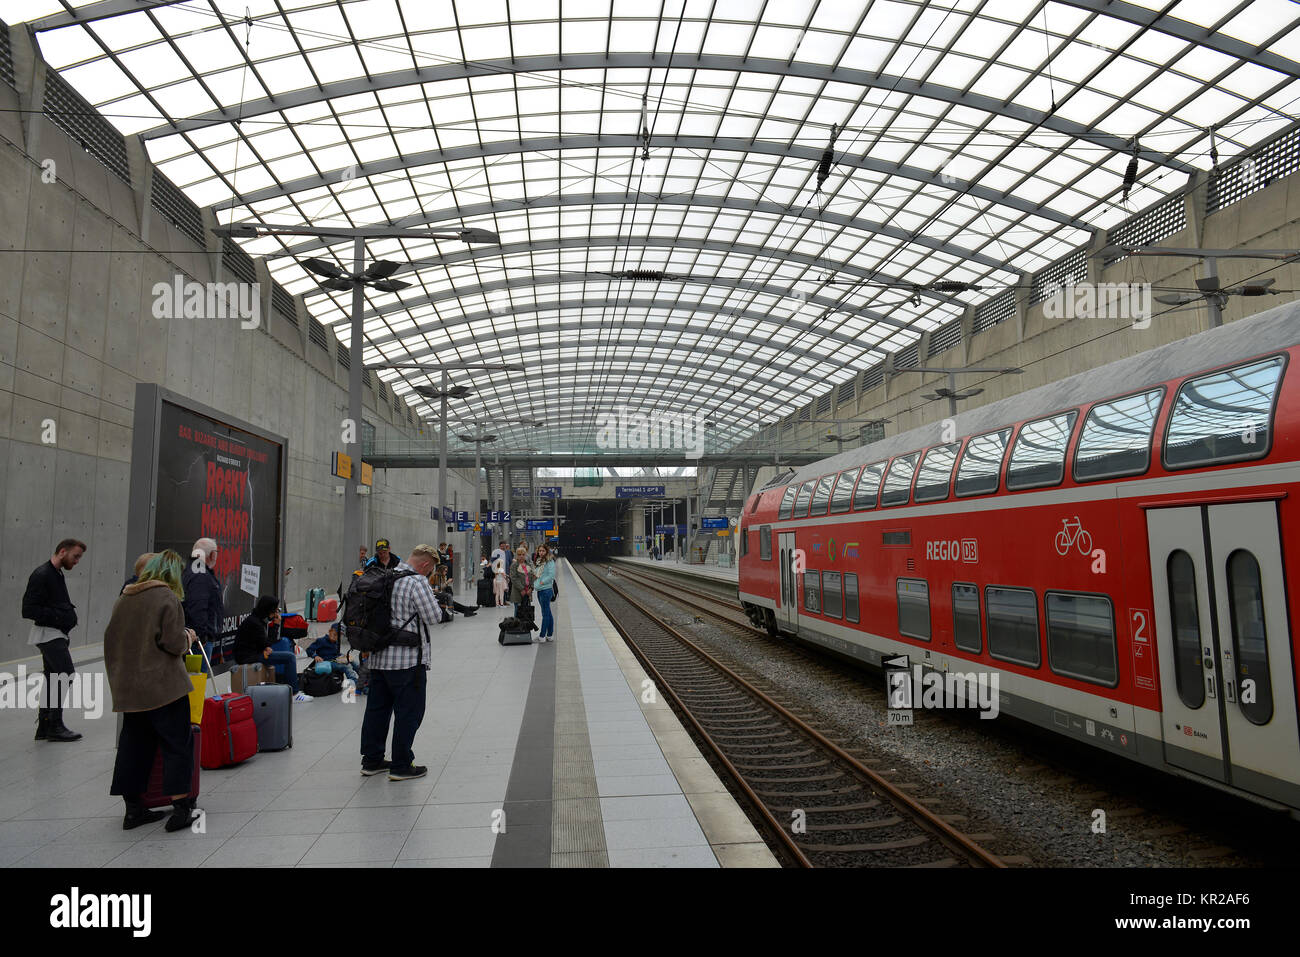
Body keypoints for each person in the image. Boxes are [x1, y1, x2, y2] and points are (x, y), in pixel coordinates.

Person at [105, 550, 201, 832]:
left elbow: (112, 640)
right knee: (176, 745)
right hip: (162, 687)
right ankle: (181, 809)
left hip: (130, 688)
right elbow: (172, 642)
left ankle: (133, 810)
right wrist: (188, 637)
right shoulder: (166, 597)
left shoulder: (125, 598)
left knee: (134, 747)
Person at [360, 544, 443, 780]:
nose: (430, 573)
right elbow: (434, 617)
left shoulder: (384, 576)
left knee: (377, 710)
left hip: (379, 659)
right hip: (407, 661)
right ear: (426, 564)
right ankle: (401, 764)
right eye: (431, 569)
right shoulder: (416, 582)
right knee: (409, 712)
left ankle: (372, 760)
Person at [21, 538, 87, 743]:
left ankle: (45, 725)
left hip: (54, 633)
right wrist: (60, 616)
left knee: (53, 677)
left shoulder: (55, 574)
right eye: (75, 556)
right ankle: (55, 725)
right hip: (49, 634)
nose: (76, 561)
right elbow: (28, 609)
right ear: (62, 552)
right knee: (65, 674)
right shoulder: (42, 575)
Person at [234, 595, 301, 695]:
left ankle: (289, 688)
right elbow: (268, 642)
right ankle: (294, 692)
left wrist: (265, 647)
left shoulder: (255, 619)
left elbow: (262, 642)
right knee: (290, 657)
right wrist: (276, 625)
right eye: (274, 611)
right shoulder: (255, 623)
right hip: (248, 657)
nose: (275, 614)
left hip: (250, 654)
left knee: (286, 657)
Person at [182, 537, 224, 666]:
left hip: (195, 638)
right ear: (212, 554)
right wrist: (202, 636)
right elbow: (197, 606)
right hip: (198, 643)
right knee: (197, 681)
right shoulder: (200, 574)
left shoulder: (192, 570)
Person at [534, 544, 557, 643]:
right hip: (540, 589)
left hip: (546, 589)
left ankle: (542, 636)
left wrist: (542, 582)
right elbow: (537, 573)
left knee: (545, 613)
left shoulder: (550, 561)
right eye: (539, 551)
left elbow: (551, 575)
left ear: (547, 551)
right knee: (548, 612)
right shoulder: (539, 561)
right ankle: (550, 635)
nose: (541, 553)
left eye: (543, 551)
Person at [508, 546, 533, 619]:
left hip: (528, 591)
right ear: (516, 555)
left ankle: (526, 626)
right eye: (519, 555)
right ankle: (517, 627)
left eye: (523, 554)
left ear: (525, 555)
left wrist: (531, 588)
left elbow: (532, 577)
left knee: (526, 609)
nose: (521, 556)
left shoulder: (529, 565)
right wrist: (522, 589)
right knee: (518, 610)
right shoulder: (514, 565)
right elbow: (514, 578)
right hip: (518, 591)